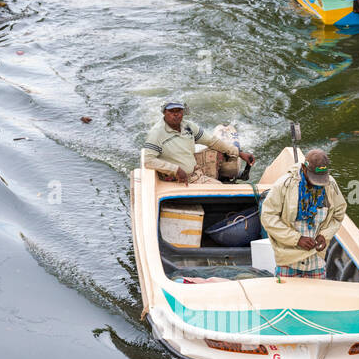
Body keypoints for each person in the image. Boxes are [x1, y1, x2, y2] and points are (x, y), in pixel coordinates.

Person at [260, 148, 347, 278]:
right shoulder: (284, 184)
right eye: (314, 179)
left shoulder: (330, 185)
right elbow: (268, 217)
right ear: (304, 168)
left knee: (317, 298)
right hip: (288, 261)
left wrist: (324, 235)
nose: (317, 184)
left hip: (316, 260)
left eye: (321, 179)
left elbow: (338, 215)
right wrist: (297, 239)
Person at [143, 100, 254, 185]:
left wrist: (239, 153)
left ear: (183, 112)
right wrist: (175, 169)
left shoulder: (188, 127)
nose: (175, 114)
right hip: (176, 179)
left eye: (179, 111)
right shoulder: (157, 133)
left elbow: (212, 141)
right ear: (164, 113)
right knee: (220, 189)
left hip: (193, 170)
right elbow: (148, 161)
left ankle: (219, 176)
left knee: (217, 152)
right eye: (171, 111)